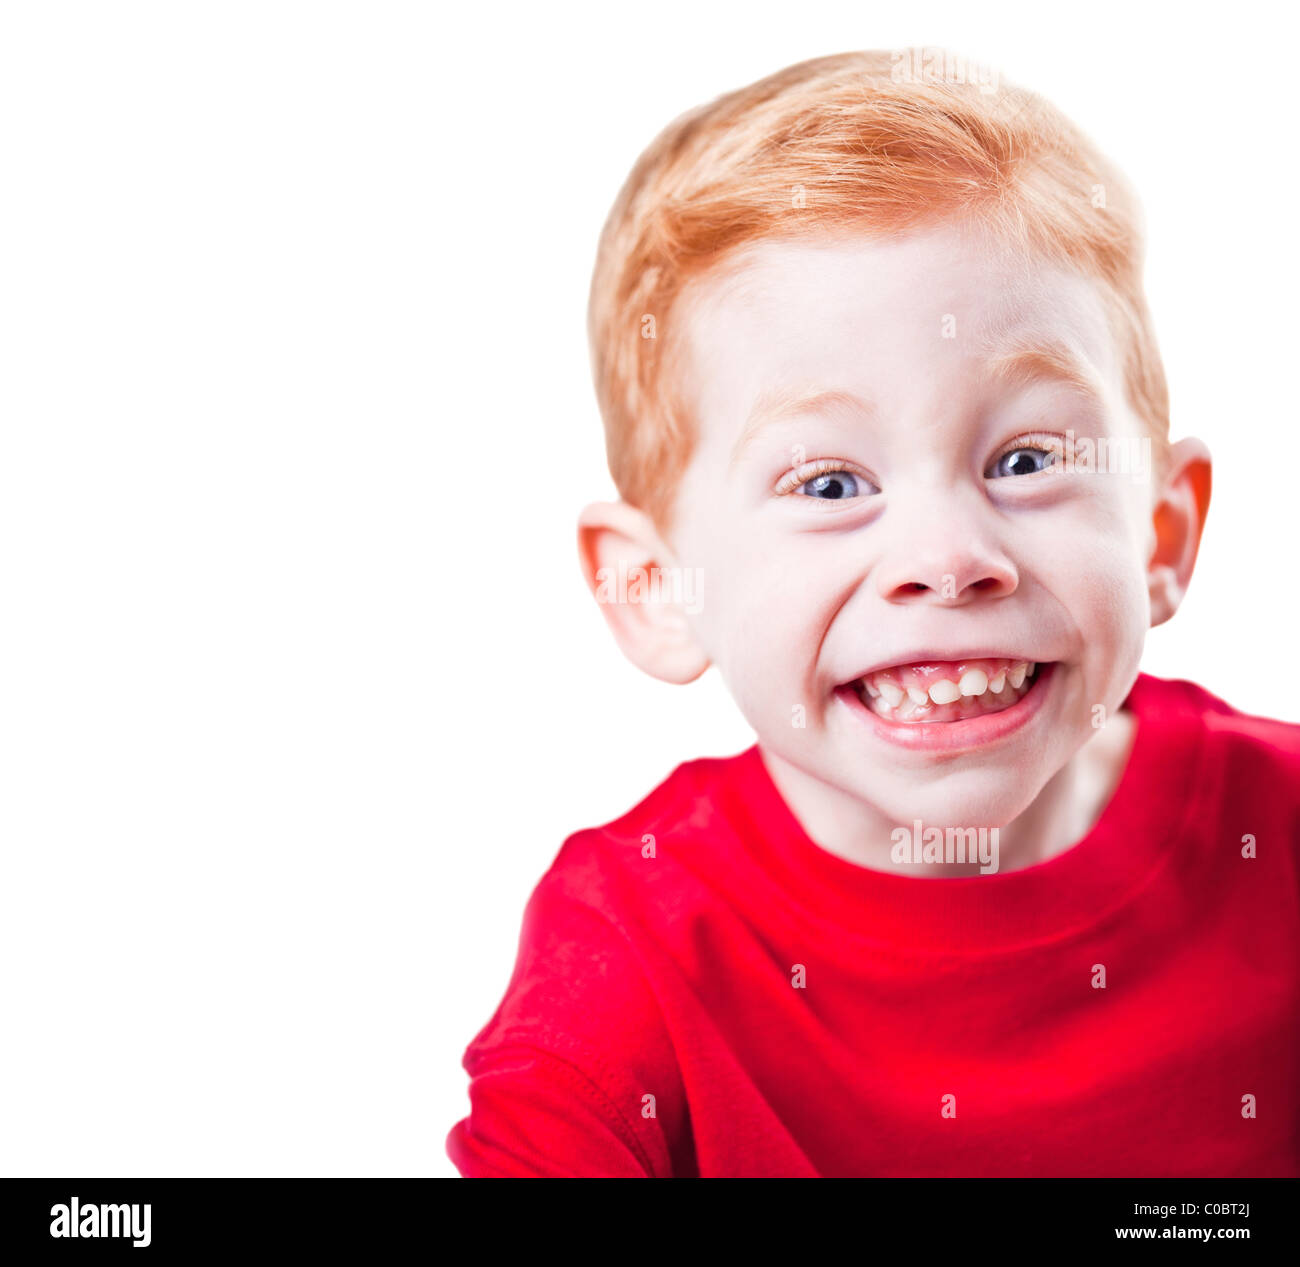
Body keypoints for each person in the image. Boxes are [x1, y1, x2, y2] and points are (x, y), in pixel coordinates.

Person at [447, 49, 1299, 1177]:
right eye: (831, 485)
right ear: (656, 589)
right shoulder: (627, 955)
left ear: (1159, 534)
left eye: (1027, 457)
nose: (948, 561)